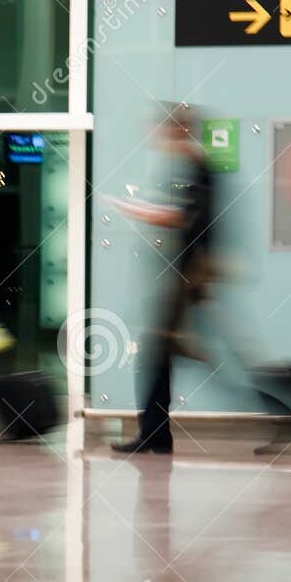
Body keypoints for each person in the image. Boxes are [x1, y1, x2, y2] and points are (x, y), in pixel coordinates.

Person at [106, 104, 215, 455]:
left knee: (163, 353)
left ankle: (286, 414)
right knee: (160, 354)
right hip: (186, 280)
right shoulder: (193, 168)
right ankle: (156, 433)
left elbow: (184, 219)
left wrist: (136, 210)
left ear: (180, 131)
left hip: (189, 281)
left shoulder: (200, 169)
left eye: (165, 131)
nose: (160, 138)